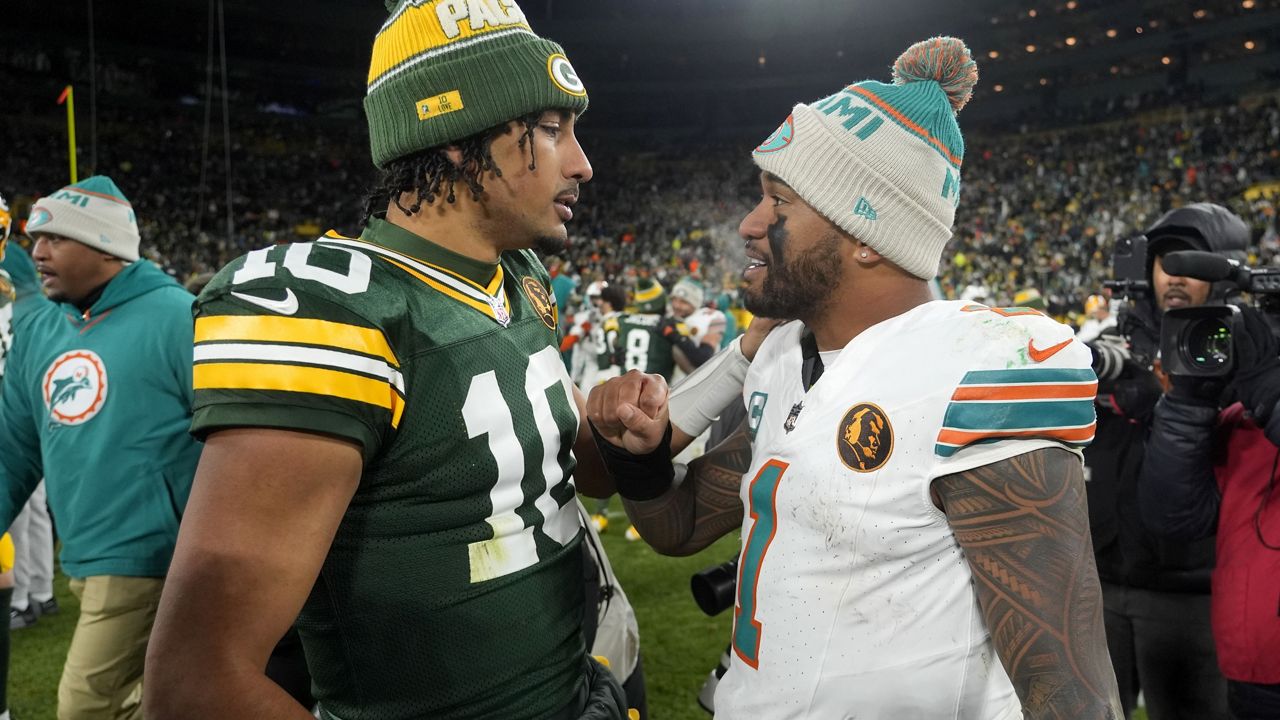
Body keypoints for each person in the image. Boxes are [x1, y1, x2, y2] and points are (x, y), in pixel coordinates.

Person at [588, 38, 1123, 718]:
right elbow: (680, 526)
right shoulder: (786, 356)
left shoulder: (971, 372)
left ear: (867, 232)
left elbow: (1070, 691)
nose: (750, 225)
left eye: (779, 202)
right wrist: (638, 459)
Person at [143, 3, 628, 719]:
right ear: (459, 140)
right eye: (551, 129)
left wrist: (622, 436)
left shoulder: (521, 279)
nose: (582, 162)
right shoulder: (334, 306)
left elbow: (560, 478)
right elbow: (196, 683)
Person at [0, 176, 203, 719]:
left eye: (56, 239)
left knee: (87, 707)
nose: (37, 252)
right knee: (153, 700)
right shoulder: (43, 332)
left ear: (106, 246)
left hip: (152, 552)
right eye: (35, 238)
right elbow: (12, 452)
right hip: (85, 552)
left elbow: (229, 444)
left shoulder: (177, 318)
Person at [1083, 204, 1239, 720]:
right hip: (1102, 583)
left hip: (1189, 593)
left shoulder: (1242, 349)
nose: (1176, 275)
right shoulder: (1116, 344)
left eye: (1194, 264)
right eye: (1166, 261)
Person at [1139, 206, 1280, 719]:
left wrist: (1268, 386)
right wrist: (1187, 403)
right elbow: (1174, 517)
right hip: (1252, 664)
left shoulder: (1258, 387)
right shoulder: (1235, 399)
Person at [669, 277, 725, 376]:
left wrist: (677, 336)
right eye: (674, 300)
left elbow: (704, 357)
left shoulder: (713, 317)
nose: (676, 305)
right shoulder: (669, 318)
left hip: (702, 382)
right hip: (673, 383)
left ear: (695, 303)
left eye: (683, 302)